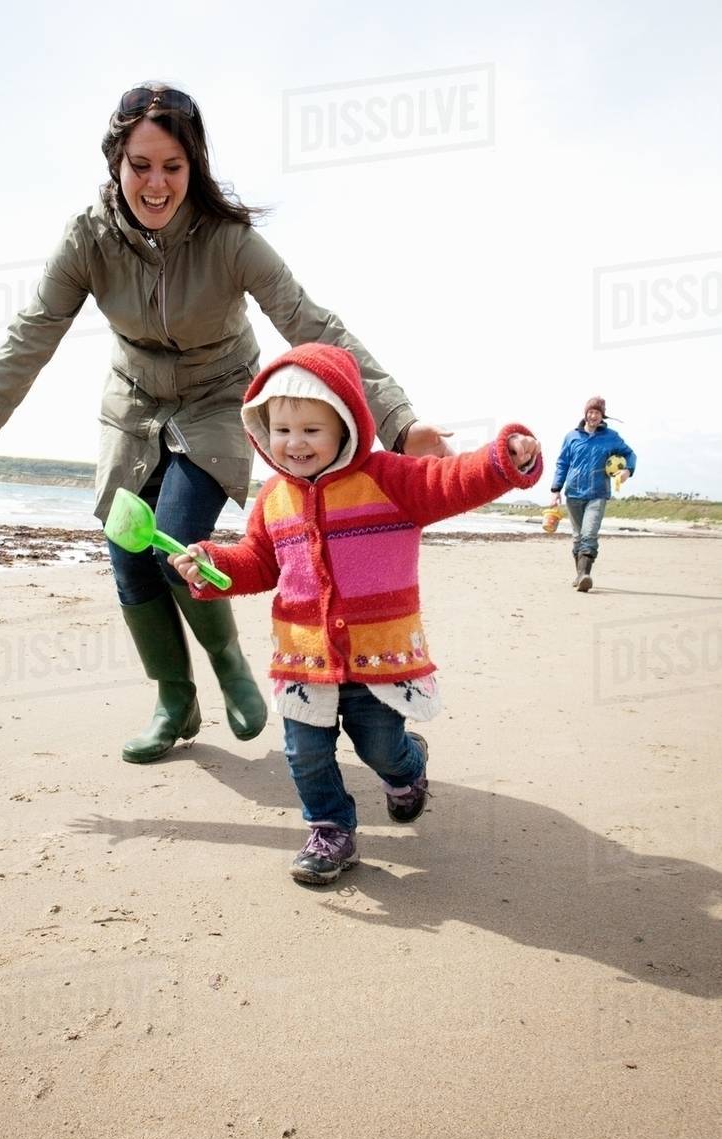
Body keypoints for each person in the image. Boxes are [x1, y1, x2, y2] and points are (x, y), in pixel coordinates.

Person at [0, 82, 452, 765]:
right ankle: (174, 699)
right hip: (132, 404)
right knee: (126, 555)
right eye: (141, 166)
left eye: (172, 166)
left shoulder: (229, 240)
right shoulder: (88, 239)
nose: (156, 184)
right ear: (116, 164)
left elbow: (310, 323)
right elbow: (29, 338)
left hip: (218, 397)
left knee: (179, 541)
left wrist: (398, 421)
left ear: (193, 166)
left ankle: (228, 665)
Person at [169, 342, 542, 884]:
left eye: (311, 430)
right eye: (281, 430)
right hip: (304, 658)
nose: (294, 444)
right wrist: (212, 563)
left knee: (381, 749)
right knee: (305, 754)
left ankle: (408, 770)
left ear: (345, 425)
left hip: (377, 656)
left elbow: (451, 480)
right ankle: (330, 829)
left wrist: (504, 460)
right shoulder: (273, 497)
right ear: (261, 430)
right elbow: (259, 562)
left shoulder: (389, 478)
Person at [549, 396, 637, 592]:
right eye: (590, 412)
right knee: (578, 537)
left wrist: (627, 470)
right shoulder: (571, 437)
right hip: (573, 493)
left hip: (598, 493)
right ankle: (580, 574)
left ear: (602, 415)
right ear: (585, 414)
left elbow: (630, 454)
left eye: (597, 412)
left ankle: (585, 575)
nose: (593, 415)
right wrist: (555, 490)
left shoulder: (611, 437)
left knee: (589, 534)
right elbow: (562, 464)